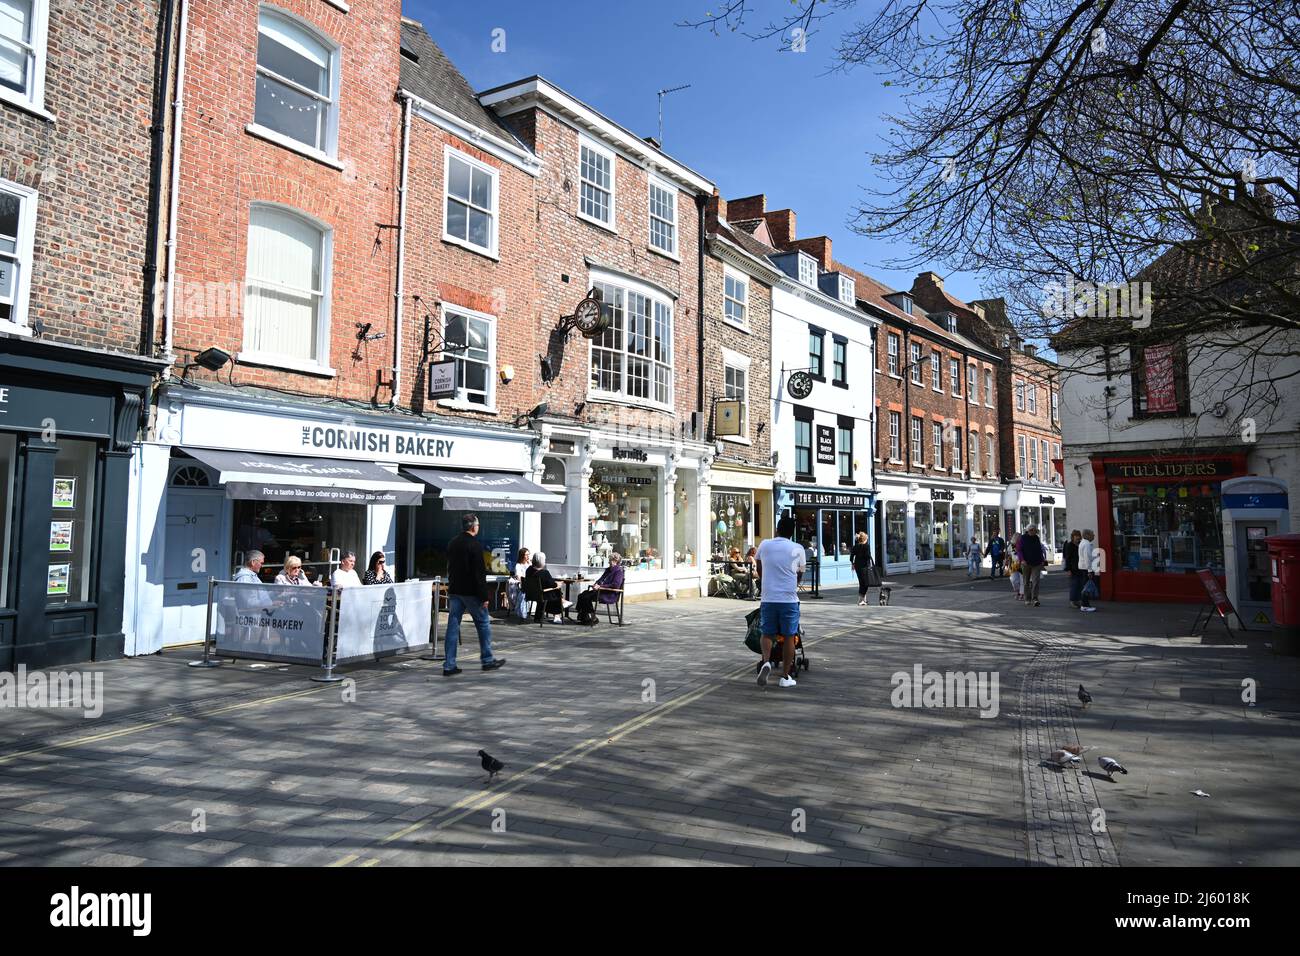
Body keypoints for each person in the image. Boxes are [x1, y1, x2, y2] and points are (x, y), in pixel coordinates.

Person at [443, 513, 505, 675]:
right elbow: (479, 574)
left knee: (453, 627)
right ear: (473, 527)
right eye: (477, 525)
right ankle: (487, 660)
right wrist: (484, 596)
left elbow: (450, 567)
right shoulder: (475, 545)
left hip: (455, 590)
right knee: (483, 624)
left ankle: (449, 665)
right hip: (471, 592)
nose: (478, 528)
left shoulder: (452, 543)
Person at [755, 515, 806, 689]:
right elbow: (800, 573)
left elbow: (759, 566)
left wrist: (766, 582)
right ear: (792, 533)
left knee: (767, 633)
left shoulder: (765, 544)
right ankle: (785, 676)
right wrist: (792, 583)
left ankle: (767, 661)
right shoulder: (798, 548)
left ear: (777, 528)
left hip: (768, 598)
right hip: (789, 599)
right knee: (790, 636)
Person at [576, 552, 624, 622]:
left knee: (586, 597)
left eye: (611, 560)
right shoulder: (608, 570)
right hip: (601, 591)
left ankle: (589, 616)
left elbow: (615, 585)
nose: (609, 562)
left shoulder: (618, 572)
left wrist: (600, 586)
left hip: (609, 593)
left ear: (616, 561)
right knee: (582, 595)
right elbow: (600, 579)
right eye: (610, 560)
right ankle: (584, 615)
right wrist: (596, 584)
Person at [525, 551, 571, 623]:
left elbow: (548, 583)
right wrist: (559, 584)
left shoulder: (529, 570)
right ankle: (559, 609)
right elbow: (552, 584)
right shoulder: (544, 573)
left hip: (531, 594)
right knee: (556, 591)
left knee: (553, 591)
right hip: (542, 595)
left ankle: (560, 605)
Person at [1020, 526, 1047, 607]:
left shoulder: (1036, 538)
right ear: (1028, 530)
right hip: (1026, 563)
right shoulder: (1023, 538)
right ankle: (1027, 599)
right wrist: (1022, 560)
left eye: (1035, 530)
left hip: (1037, 563)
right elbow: (1019, 550)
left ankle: (1035, 598)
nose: (1034, 532)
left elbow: (1039, 549)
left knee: (1036, 581)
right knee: (1026, 582)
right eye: (1033, 530)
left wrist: (1042, 560)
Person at [850, 531, 874, 607]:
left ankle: (863, 600)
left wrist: (853, 564)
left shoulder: (855, 546)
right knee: (866, 583)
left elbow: (851, 557)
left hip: (857, 566)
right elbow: (868, 556)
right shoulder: (866, 546)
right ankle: (861, 599)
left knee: (861, 582)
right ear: (864, 539)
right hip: (864, 566)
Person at [1078, 529, 1100, 612]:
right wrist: (1089, 571)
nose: (1094, 535)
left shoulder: (1083, 543)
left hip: (1084, 568)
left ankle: (1085, 604)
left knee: (1086, 586)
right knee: (1086, 587)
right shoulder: (1086, 544)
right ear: (1087, 535)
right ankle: (1085, 605)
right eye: (1092, 534)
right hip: (1086, 569)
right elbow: (1087, 558)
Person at [509, 547, 532, 621]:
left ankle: (523, 613)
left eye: (529, 554)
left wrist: (531, 565)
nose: (528, 556)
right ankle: (522, 614)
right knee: (523, 593)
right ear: (522, 556)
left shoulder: (530, 565)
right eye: (526, 555)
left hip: (531, 585)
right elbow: (519, 578)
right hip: (523, 585)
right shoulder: (518, 566)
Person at [1064, 530, 1083, 608]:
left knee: (1080, 585)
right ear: (1073, 537)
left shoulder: (1080, 544)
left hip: (1081, 568)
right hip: (1073, 568)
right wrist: (1068, 570)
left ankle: (1078, 600)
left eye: (1078, 535)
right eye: (1076, 536)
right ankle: (1072, 601)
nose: (1078, 537)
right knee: (1074, 585)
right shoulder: (1069, 545)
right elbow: (1067, 558)